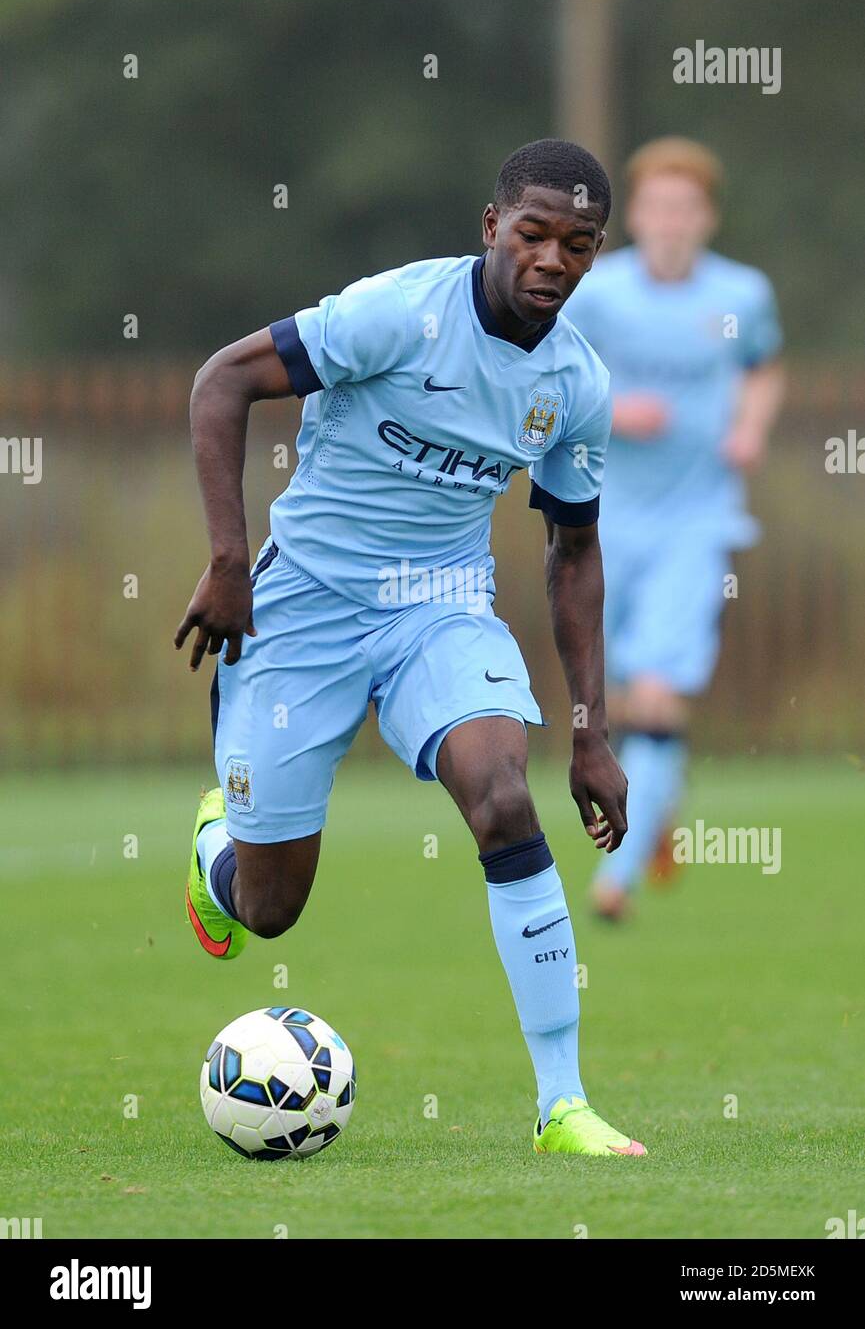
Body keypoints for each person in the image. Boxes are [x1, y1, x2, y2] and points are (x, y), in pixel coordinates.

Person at [175, 139, 645, 1157]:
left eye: (579, 243)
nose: (551, 259)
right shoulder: (398, 313)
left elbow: (573, 552)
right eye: (532, 234)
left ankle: (561, 1104)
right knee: (269, 911)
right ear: (490, 228)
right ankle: (218, 846)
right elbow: (222, 382)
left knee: (504, 796)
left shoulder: (574, 384)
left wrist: (591, 729)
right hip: (302, 609)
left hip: (440, 611)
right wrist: (228, 560)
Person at [562, 138, 784, 920]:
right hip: (603, 522)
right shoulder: (598, 296)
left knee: (656, 694)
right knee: (618, 704)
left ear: (706, 218)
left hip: (699, 520)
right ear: (636, 216)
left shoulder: (740, 295)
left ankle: (612, 884)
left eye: (684, 208)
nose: (669, 222)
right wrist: (616, 411)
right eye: (656, 207)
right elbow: (554, 375)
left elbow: (762, 366)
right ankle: (656, 803)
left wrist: (750, 427)